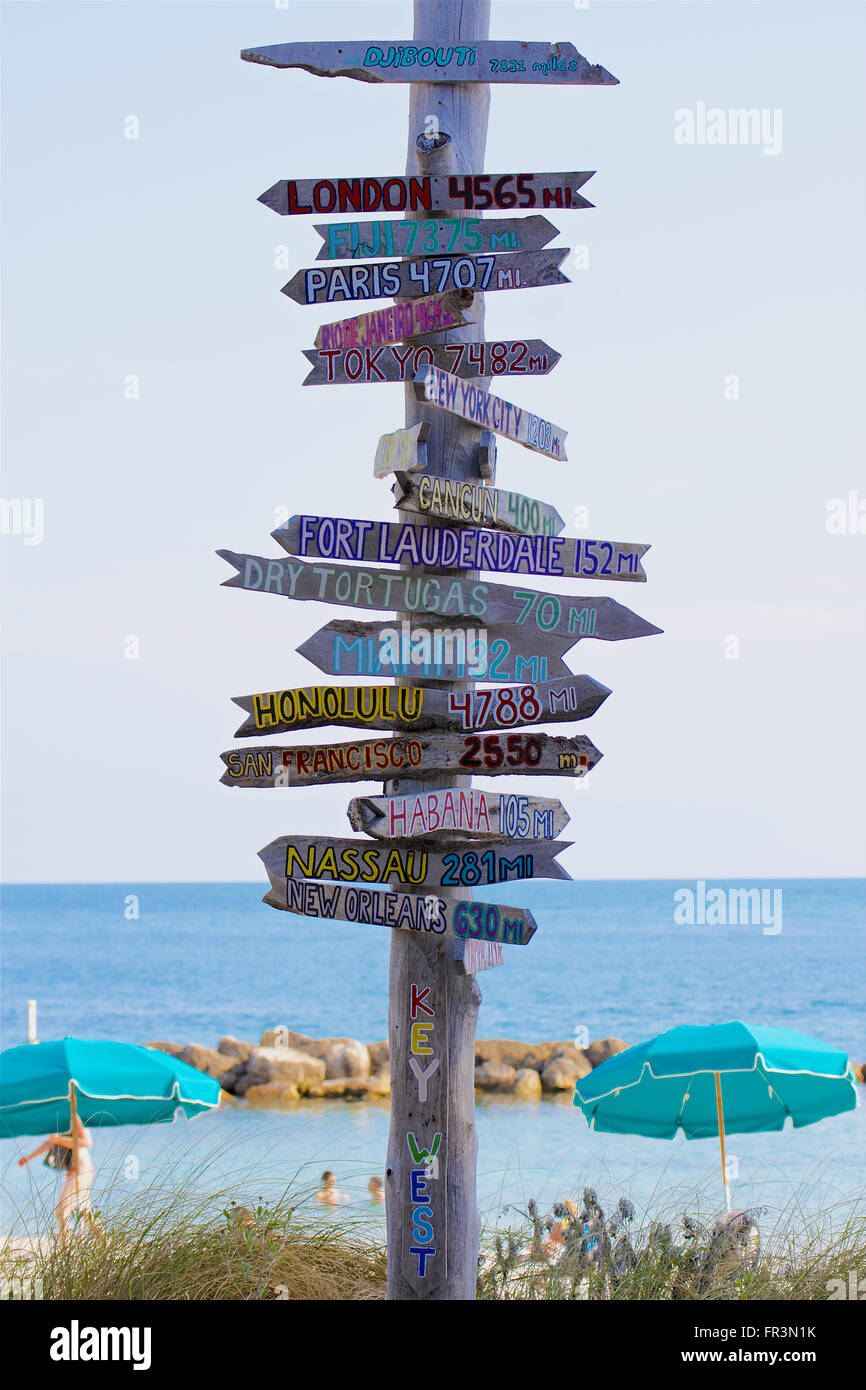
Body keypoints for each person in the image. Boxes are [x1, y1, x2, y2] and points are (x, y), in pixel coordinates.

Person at [18, 1111, 95, 1238]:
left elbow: (86, 1142)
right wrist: (29, 1157)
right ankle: (104, 1241)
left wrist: (59, 1139)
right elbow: (50, 1143)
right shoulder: (57, 1118)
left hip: (82, 1170)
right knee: (85, 1212)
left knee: (61, 1210)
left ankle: (67, 1247)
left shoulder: (74, 1117)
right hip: (73, 1172)